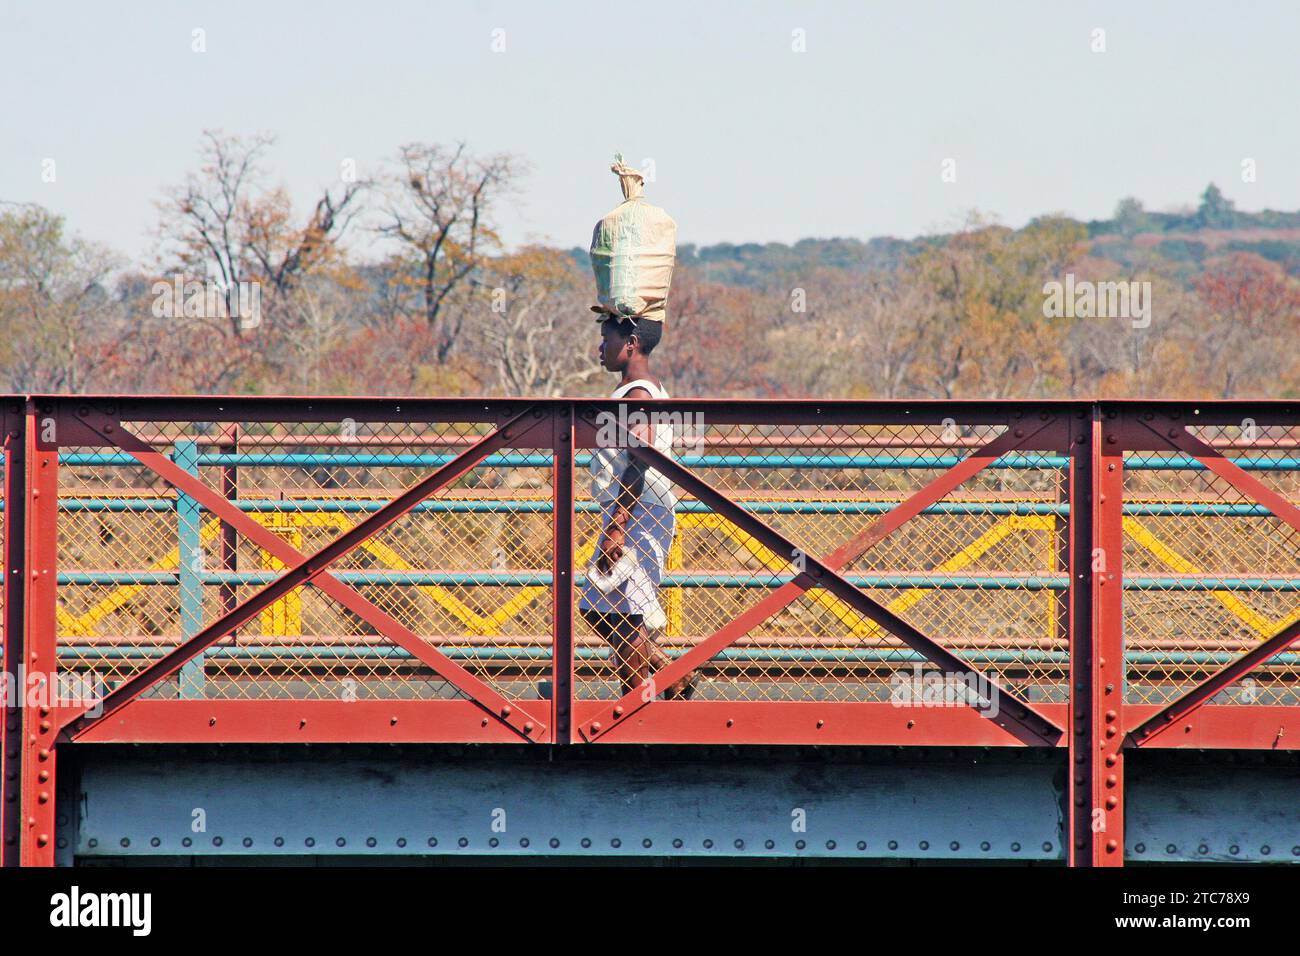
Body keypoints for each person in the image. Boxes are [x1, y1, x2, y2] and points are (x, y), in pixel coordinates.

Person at [579, 314, 698, 700]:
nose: (600, 348)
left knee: (628, 617)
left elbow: (639, 460)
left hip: (638, 512)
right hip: (633, 510)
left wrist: (618, 524)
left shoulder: (640, 395)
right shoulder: (634, 390)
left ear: (630, 343)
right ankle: (672, 675)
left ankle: (636, 708)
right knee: (598, 609)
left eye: (605, 339)